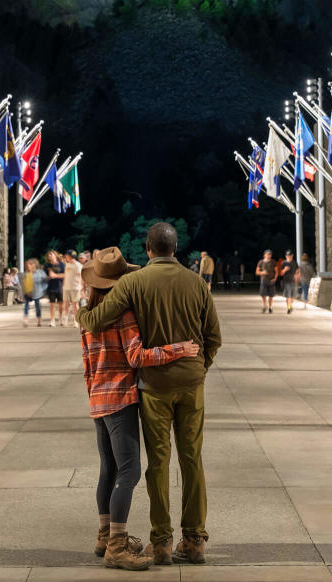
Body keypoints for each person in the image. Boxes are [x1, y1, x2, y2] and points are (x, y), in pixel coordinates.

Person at [78, 222, 222, 566]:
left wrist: (81, 313)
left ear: (147, 248)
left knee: (158, 463)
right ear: (176, 248)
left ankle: (161, 543)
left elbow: (97, 320)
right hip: (191, 383)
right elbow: (213, 337)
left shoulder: (133, 282)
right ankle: (195, 540)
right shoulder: (196, 283)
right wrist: (199, 368)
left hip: (153, 387)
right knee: (193, 460)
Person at [16, 259, 48, 327]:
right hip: (28, 292)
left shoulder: (40, 272)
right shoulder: (24, 274)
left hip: (37, 292)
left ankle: (38, 321)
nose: (28, 265)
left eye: (30, 264)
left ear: (34, 264)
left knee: (38, 306)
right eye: (27, 264)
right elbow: (23, 284)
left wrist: (43, 290)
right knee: (26, 306)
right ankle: (25, 321)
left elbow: (45, 281)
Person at [44, 250, 66, 326]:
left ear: (55, 255)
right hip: (51, 287)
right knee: (52, 305)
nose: (50, 256)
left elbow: (65, 275)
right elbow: (44, 277)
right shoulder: (47, 266)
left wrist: (56, 275)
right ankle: (52, 320)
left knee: (61, 304)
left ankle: (60, 319)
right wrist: (49, 277)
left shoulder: (62, 264)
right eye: (48, 255)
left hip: (60, 287)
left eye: (51, 254)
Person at [64, 250, 83, 325]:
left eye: (67, 256)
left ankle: (76, 320)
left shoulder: (78, 265)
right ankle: (66, 319)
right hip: (66, 287)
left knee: (75, 304)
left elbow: (81, 276)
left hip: (75, 288)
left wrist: (81, 287)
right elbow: (66, 276)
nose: (66, 257)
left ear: (70, 256)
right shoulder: (67, 264)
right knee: (66, 303)